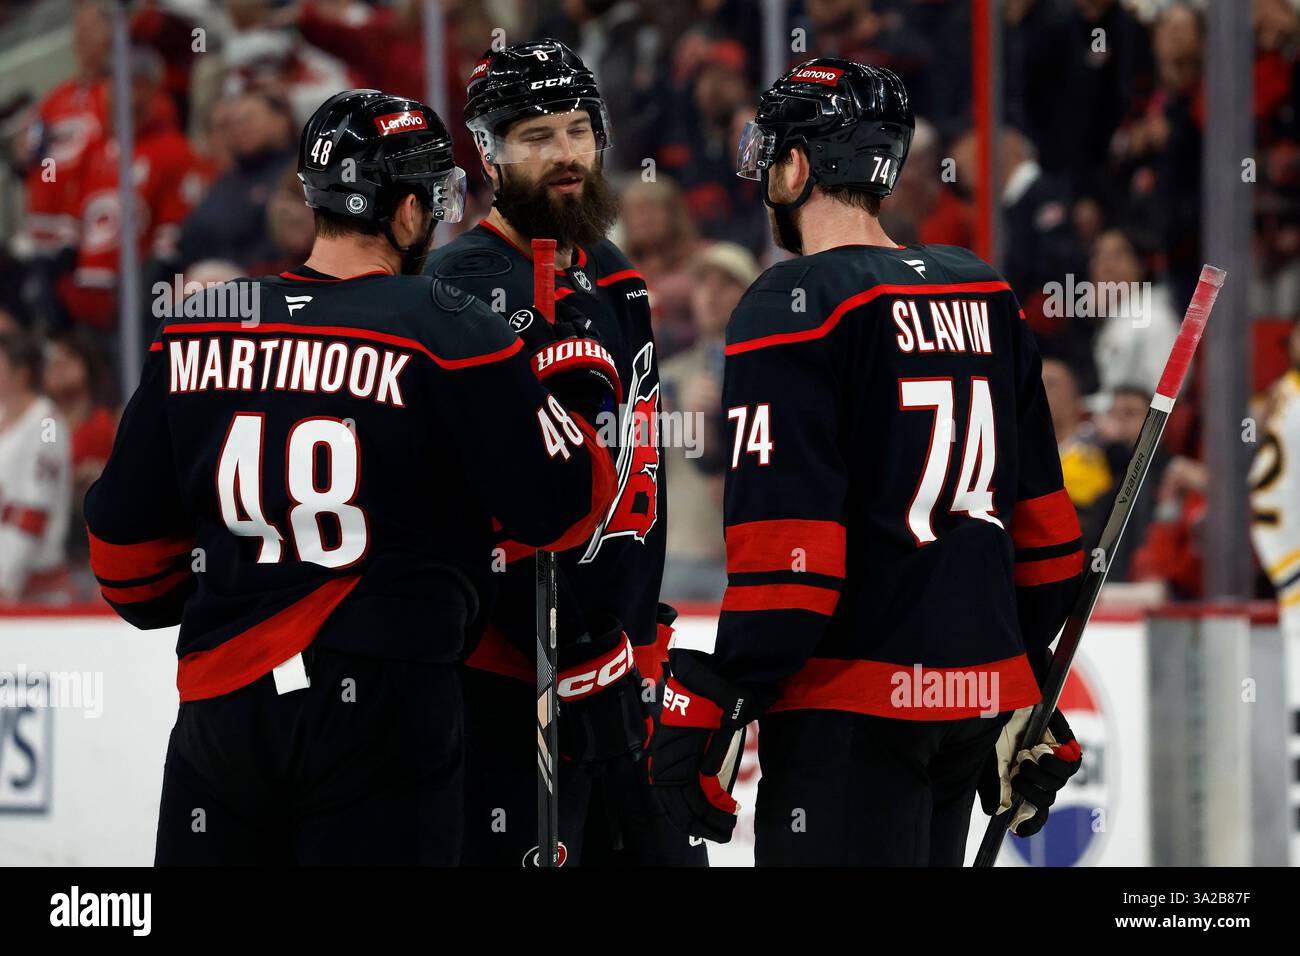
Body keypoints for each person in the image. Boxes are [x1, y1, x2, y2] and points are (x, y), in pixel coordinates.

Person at [83, 89, 621, 865]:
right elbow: (566, 509)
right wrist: (561, 392)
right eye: (433, 202)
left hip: (222, 713)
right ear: (406, 213)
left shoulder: (200, 324)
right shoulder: (450, 324)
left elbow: (125, 570)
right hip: (388, 705)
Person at [647, 59, 1084, 865]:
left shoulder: (792, 304)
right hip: (970, 703)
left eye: (772, 155)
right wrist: (1022, 683)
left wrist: (725, 690)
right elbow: (1051, 541)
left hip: (848, 710)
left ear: (798, 166)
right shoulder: (981, 289)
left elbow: (790, 565)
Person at [423, 39, 701, 867]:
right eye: (536, 136)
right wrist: (574, 652)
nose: (567, 154)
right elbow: (476, 504)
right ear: (490, 152)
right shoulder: (462, 285)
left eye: (578, 129)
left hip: (625, 668)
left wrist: (632, 646)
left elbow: (637, 459)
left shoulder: (616, 277)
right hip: (514, 682)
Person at [0, 330, 72, 605]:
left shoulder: (48, 423)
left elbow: (38, 506)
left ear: (21, 373)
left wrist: (8, 579)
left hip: (37, 587)